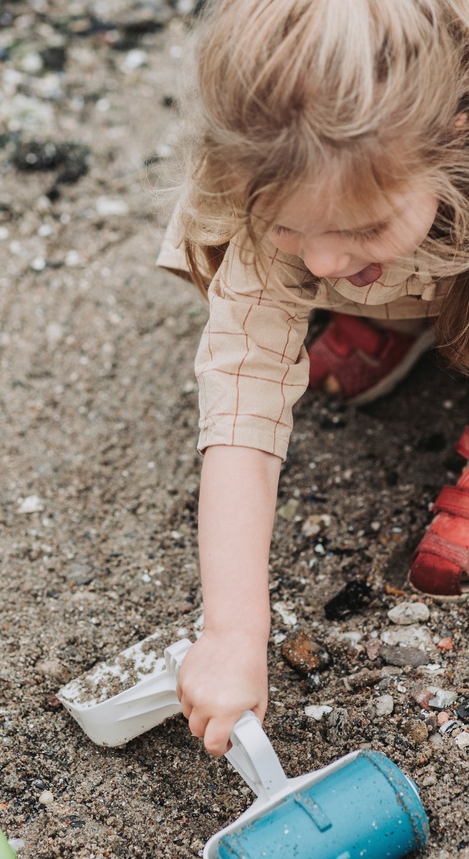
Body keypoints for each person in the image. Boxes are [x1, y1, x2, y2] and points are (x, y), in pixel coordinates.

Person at [158, 0, 469, 756]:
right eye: (291, 229)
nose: (324, 259)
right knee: (316, 267)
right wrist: (233, 629)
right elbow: (243, 397)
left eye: (359, 227)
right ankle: (396, 308)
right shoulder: (277, 168)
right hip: (414, 225)